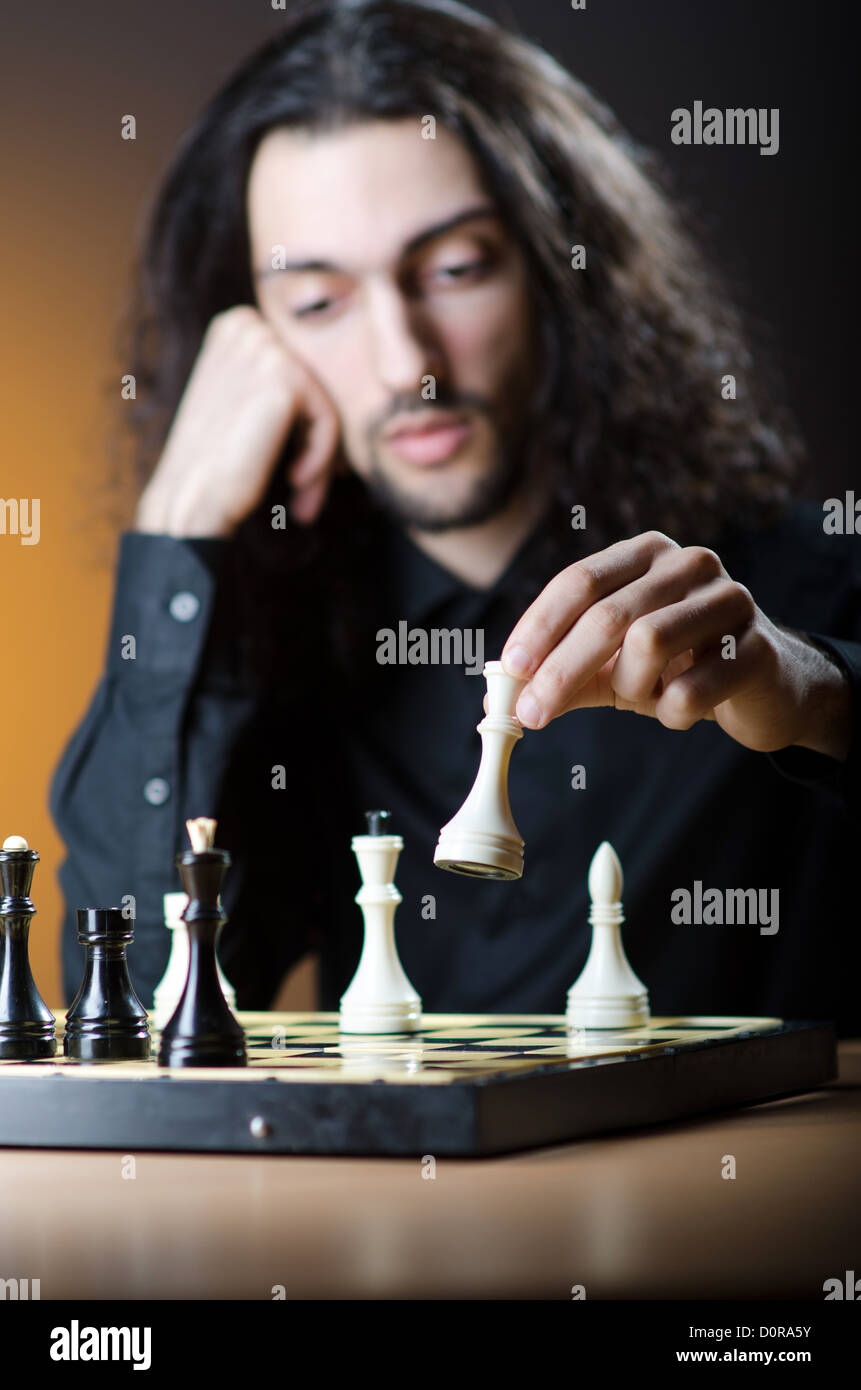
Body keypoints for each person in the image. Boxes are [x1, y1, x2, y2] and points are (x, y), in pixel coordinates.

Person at [51, 0, 859, 1033]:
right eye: (318, 302)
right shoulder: (280, 666)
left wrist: (821, 695)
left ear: (563, 271)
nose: (406, 364)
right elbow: (131, 1002)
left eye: (455, 268)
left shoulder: (806, 594)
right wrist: (177, 527)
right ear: (245, 339)